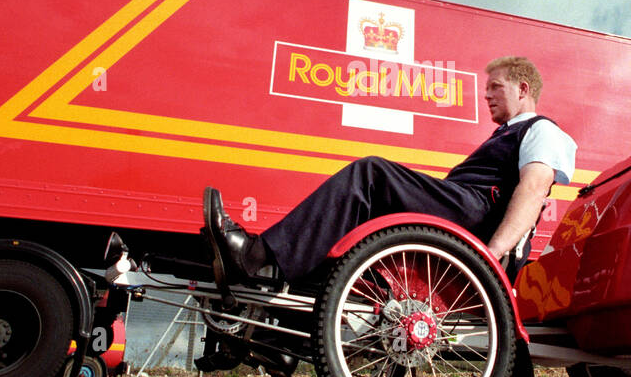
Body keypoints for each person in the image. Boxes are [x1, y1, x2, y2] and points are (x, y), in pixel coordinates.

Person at [204, 56, 576, 287]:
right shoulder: (503, 136)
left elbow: (532, 191)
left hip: (478, 218)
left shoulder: (541, 130)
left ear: (524, 89)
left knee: (371, 175)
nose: (486, 95)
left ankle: (253, 258)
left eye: (496, 87)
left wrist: (492, 254)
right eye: (486, 88)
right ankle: (288, 309)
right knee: (356, 223)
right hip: (465, 209)